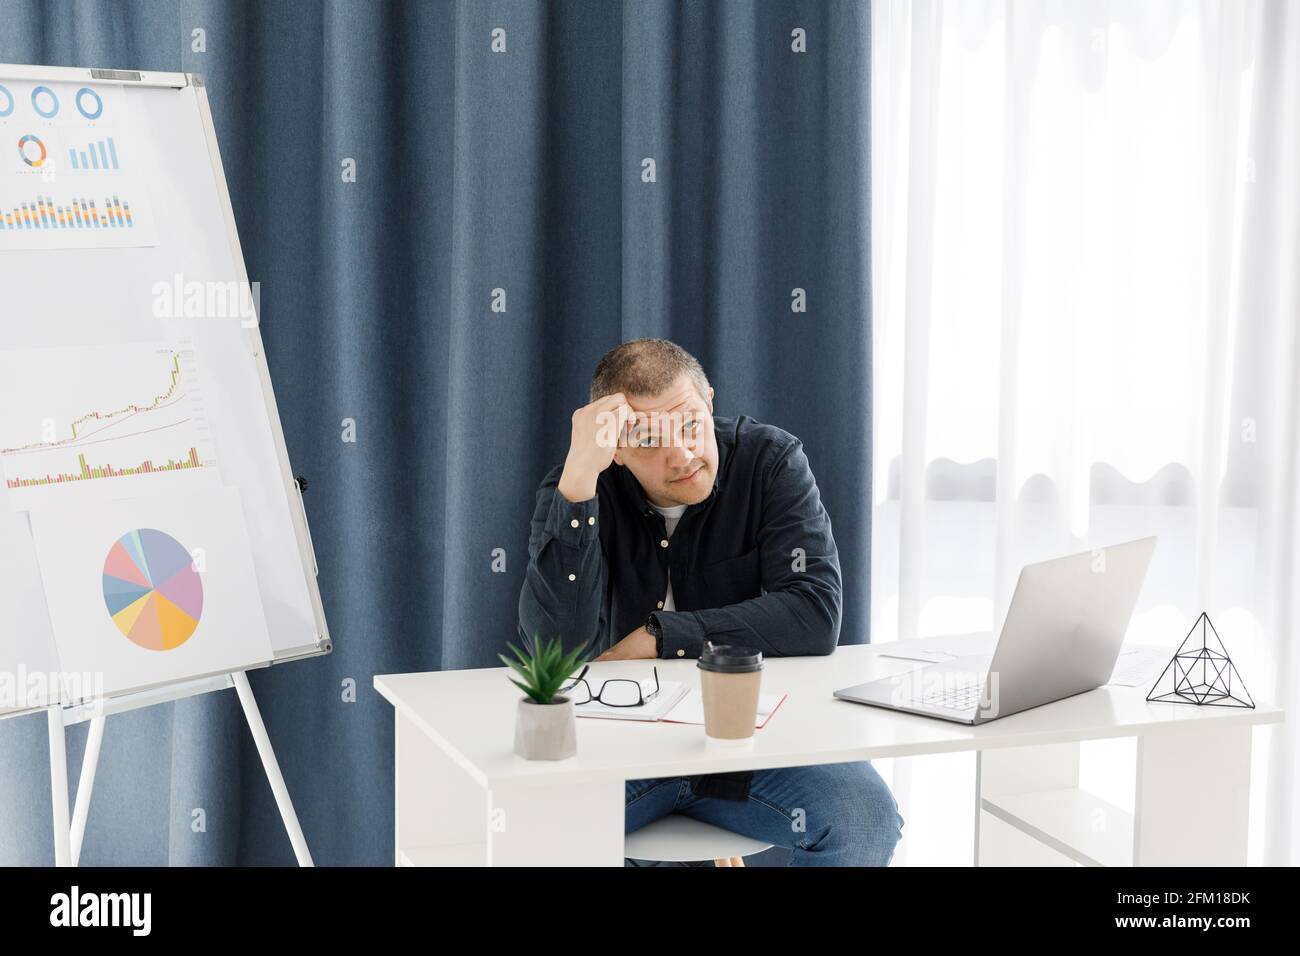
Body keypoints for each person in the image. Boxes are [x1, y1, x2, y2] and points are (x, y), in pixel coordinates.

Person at [518, 338, 904, 866]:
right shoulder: (580, 488)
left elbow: (814, 613)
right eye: (649, 440)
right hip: (620, 754)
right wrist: (580, 480)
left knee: (863, 817)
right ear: (616, 449)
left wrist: (661, 637)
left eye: (692, 424)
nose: (681, 454)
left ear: (710, 401)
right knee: (534, 832)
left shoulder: (768, 462)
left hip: (750, 746)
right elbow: (553, 648)